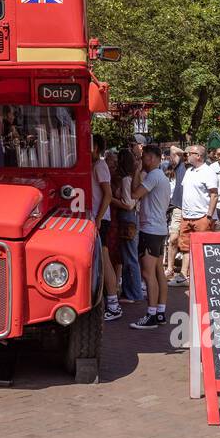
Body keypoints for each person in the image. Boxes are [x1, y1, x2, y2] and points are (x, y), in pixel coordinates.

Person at [130, 144, 171, 329]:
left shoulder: (153, 176)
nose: (142, 161)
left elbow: (134, 193)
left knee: (148, 273)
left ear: (153, 158)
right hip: (160, 228)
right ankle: (160, 311)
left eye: (145, 158)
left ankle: (151, 314)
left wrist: (136, 172)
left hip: (151, 230)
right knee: (158, 272)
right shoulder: (161, 176)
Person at [175, 145, 218, 290]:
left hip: (202, 217)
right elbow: (175, 150)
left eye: (189, 154)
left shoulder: (208, 172)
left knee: (203, 249)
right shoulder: (189, 171)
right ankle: (183, 276)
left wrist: (209, 215)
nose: (186, 156)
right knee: (185, 248)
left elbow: (214, 194)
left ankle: (204, 277)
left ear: (198, 156)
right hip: (187, 216)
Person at [106, 145, 141, 319]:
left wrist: (109, 198)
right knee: (128, 256)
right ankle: (132, 291)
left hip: (127, 217)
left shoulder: (127, 179)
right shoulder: (129, 178)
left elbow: (128, 204)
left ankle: (133, 292)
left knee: (129, 256)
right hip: (129, 217)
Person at [89, 134, 117, 311]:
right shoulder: (94, 165)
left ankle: (113, 304)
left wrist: (98, 218)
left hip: (100, 219)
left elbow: (108, 194)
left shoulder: (99, 165)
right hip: (96, 218)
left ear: (96, 147)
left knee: (105, 259)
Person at [165, 145, 188, 286]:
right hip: (179, 207)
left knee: (186, 241)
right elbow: (173, 148)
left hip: (192, 209)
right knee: (173, 238)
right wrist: (186, 153)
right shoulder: (181, 166)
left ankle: (184, 273)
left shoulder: (195, 168)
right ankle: (169, 268)